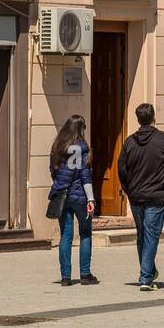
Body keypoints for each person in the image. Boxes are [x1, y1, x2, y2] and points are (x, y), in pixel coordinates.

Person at [117, 103, 164, 292]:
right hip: (157, 195)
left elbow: (122, 169)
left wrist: (128, 189)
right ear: (153, 118)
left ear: (138, 119)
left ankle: (149, 270)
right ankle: (145, 277)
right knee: (151, 234)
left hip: (136, 195)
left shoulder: (129, 142)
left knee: (142, 234)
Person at [48, 115, 98, 287]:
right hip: (80, 197)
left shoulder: (57, 147)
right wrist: (91, 198)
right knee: (85, 234)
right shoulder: (82, 148)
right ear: (80, 129)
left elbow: (53, 171)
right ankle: (85, 274)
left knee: (66, 236)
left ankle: (65, 277)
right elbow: (85, 175)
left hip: (62, 196)